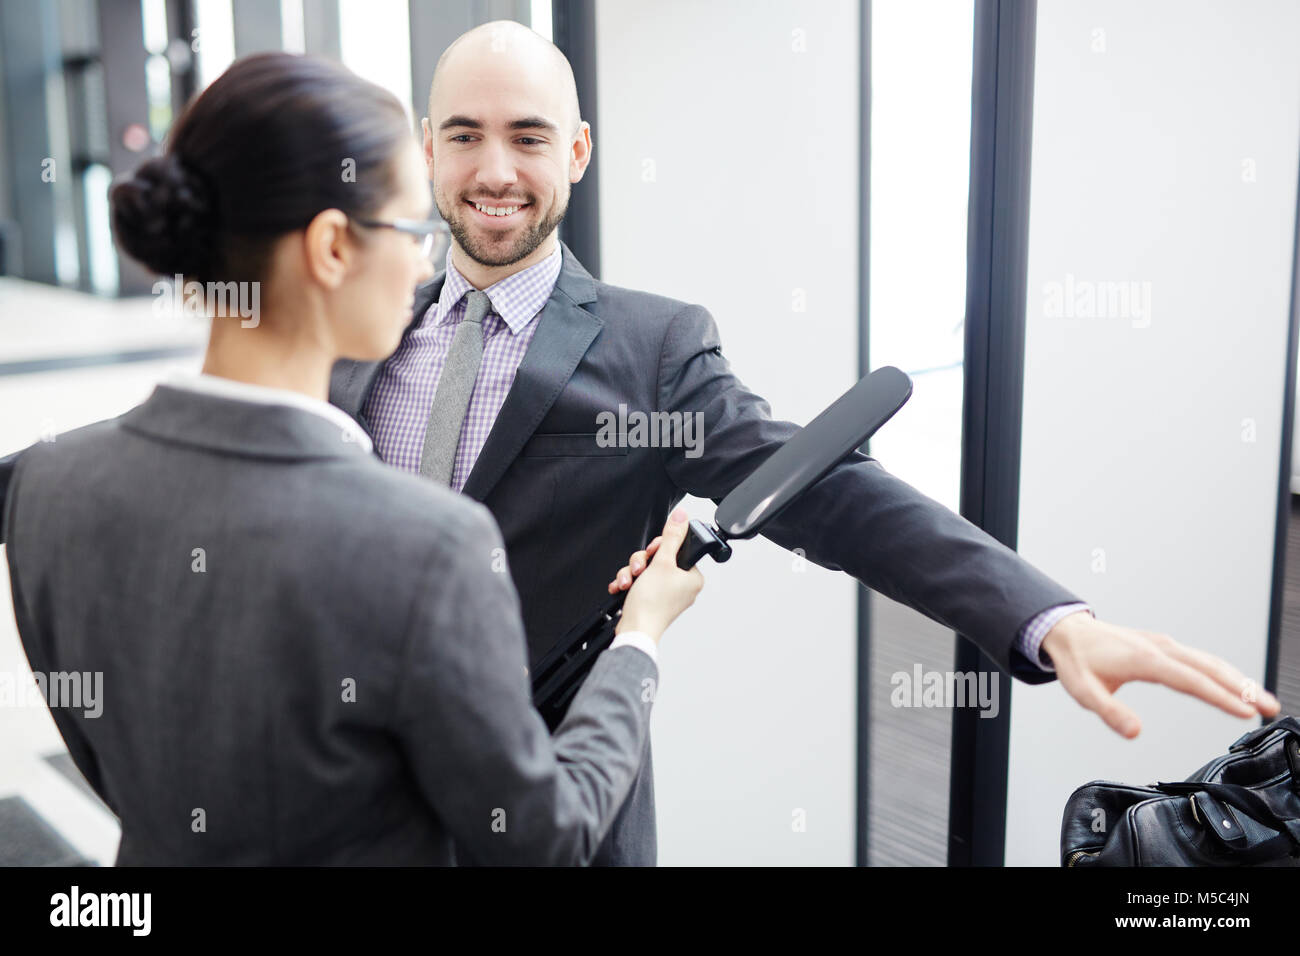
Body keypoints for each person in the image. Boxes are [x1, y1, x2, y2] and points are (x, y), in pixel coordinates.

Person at [328, 20, 1282, 866]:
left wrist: (1049, 620)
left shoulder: (650, 348)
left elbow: (830, 494)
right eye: (464, 135)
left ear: (577, 151)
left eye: (528, 136)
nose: (495, 170)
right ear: (427, 149)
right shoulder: (360, 336)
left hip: (557, 810)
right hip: (364, 805)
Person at [1, 51, 704, 866]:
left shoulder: (48, 486)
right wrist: (639, 638)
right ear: (333, 247)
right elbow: (552, 835)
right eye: (412, 230)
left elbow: (113, 765)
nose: (423, 262)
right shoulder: (429, 545)